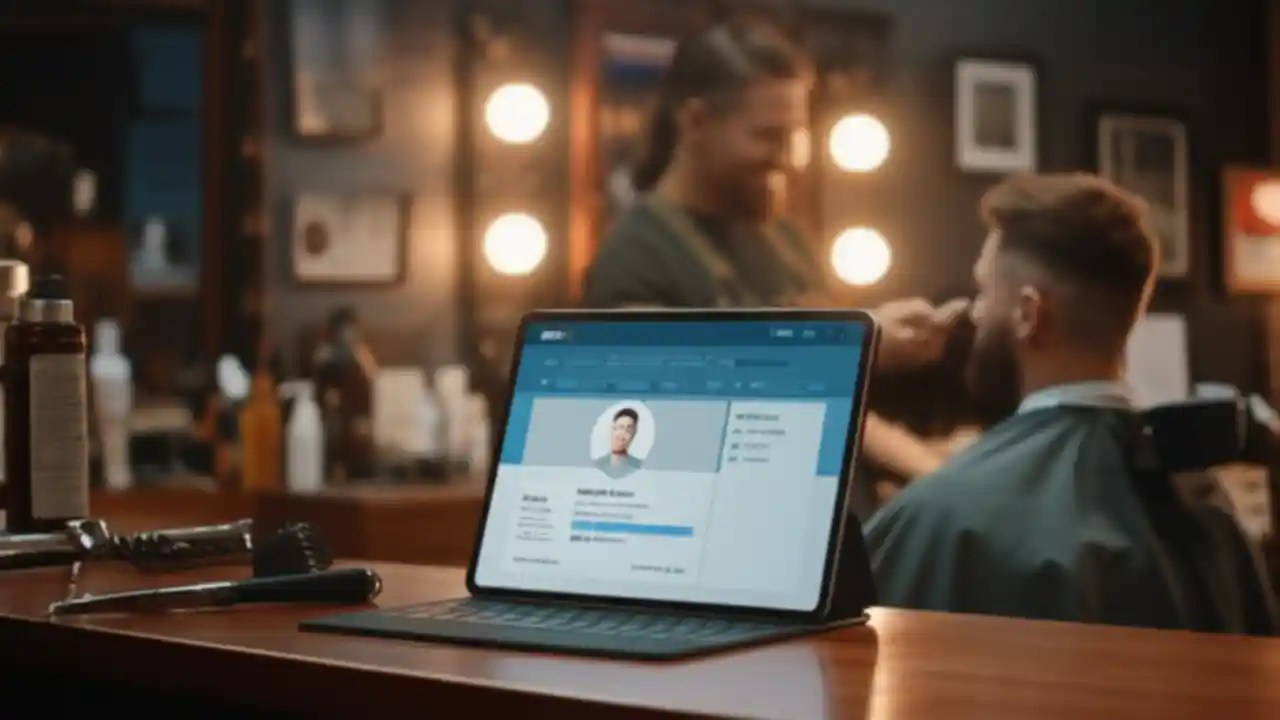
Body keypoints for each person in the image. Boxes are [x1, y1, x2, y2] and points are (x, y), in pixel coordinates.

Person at [864, 172, 1277, 635]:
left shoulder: (943, 514)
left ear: (1027, 313)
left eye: (984, 290)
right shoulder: (1208, 505)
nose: (974, 312)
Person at [583, 15, 823, 309]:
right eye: (767, 137)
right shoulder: (638, 261)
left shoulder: (788, 241)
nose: (787, 160)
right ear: (696, 122)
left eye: (793, 136)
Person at [595, 407, 643, 479]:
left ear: (634, 433)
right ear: (612, 430)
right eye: (620, 427)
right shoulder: (597, 465)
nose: (623, 433)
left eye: (628, 429)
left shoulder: (639, 467)